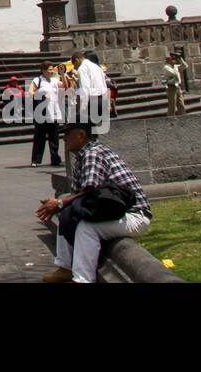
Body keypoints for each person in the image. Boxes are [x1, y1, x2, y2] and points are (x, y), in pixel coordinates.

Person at [37, 121, 153, 283]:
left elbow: (90, 190)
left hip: (135, 216)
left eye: (67, 134)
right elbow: (79, 194)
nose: (64, 139)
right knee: (67, 211)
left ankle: (82, 279)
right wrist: (61, 205)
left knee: (87, 228)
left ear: (81, 135)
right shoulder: (84, 155)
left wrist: (60, 203)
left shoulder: (93, 153)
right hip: (113, 211)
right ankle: (65, 268)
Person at [30, 60, 63, 167]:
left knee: (54, 137)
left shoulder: (54, 80)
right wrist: (41, 92)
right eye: (49, 69)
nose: (52, 71)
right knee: (40, 137)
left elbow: (65, 86)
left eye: (52, 69)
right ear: (43, 70)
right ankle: (35, 160)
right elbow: (31, 93)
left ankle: (55, 159)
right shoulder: (38, 80)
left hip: (53, 112)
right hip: (42, 112)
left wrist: (64, 75)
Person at [70, 51, 109, 125]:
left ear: (77, 60)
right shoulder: (96, 66)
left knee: (88, 129)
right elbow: (104, 84)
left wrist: (82, 109)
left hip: (92, 101)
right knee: (95, 129)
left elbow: (85, 89)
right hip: (102, 100)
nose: (75, 67)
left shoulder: (82, 68)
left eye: (74, 64)